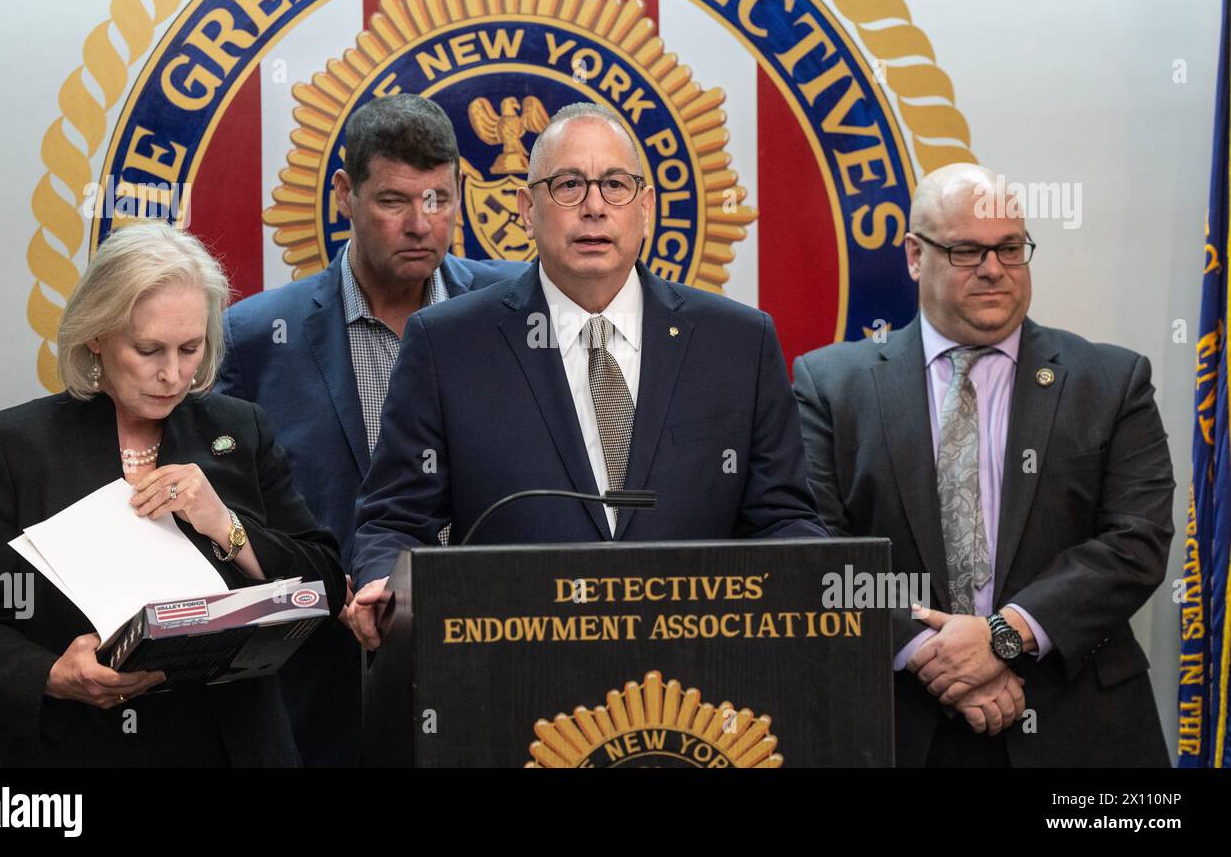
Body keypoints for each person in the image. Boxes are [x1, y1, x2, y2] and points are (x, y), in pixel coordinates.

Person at [344, 102, 828, 649]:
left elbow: (782, 522)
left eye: (615, 185)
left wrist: (844, 587)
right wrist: (385, 582)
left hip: (699, 681)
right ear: (526, 208)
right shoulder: (448, 344)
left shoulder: (738, 343)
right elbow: (394, 522)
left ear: (645, 207)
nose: (594, 207)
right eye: (569, 184)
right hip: (511, 669)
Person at [792, 163, 1174, 767]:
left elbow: (1137, 541)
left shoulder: (1112, 381)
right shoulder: (831, 386)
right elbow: (814, 549)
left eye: (1010, 248)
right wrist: (926, 650)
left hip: (1081, 730)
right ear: (916, 256)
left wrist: (1003, 637)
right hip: (899, 727)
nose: (993, 269)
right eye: (966, 250)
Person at [0, 223, 346, 766]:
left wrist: (226, 524)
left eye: (191, 348)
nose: (173, 374)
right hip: (79, 750)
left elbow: (323, 585)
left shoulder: (240, 429)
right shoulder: (12, 447)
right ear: (97, 335)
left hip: (230, 743)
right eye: (149, 349)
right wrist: (55, 676)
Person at [217, 93, 522, 765]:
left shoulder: (515, 313)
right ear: (344, 195)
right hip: (321, 691)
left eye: (439, 199)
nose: (421, 224)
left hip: (497, 670)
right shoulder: (255, 340)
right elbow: (230, 521)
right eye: (394, 201)